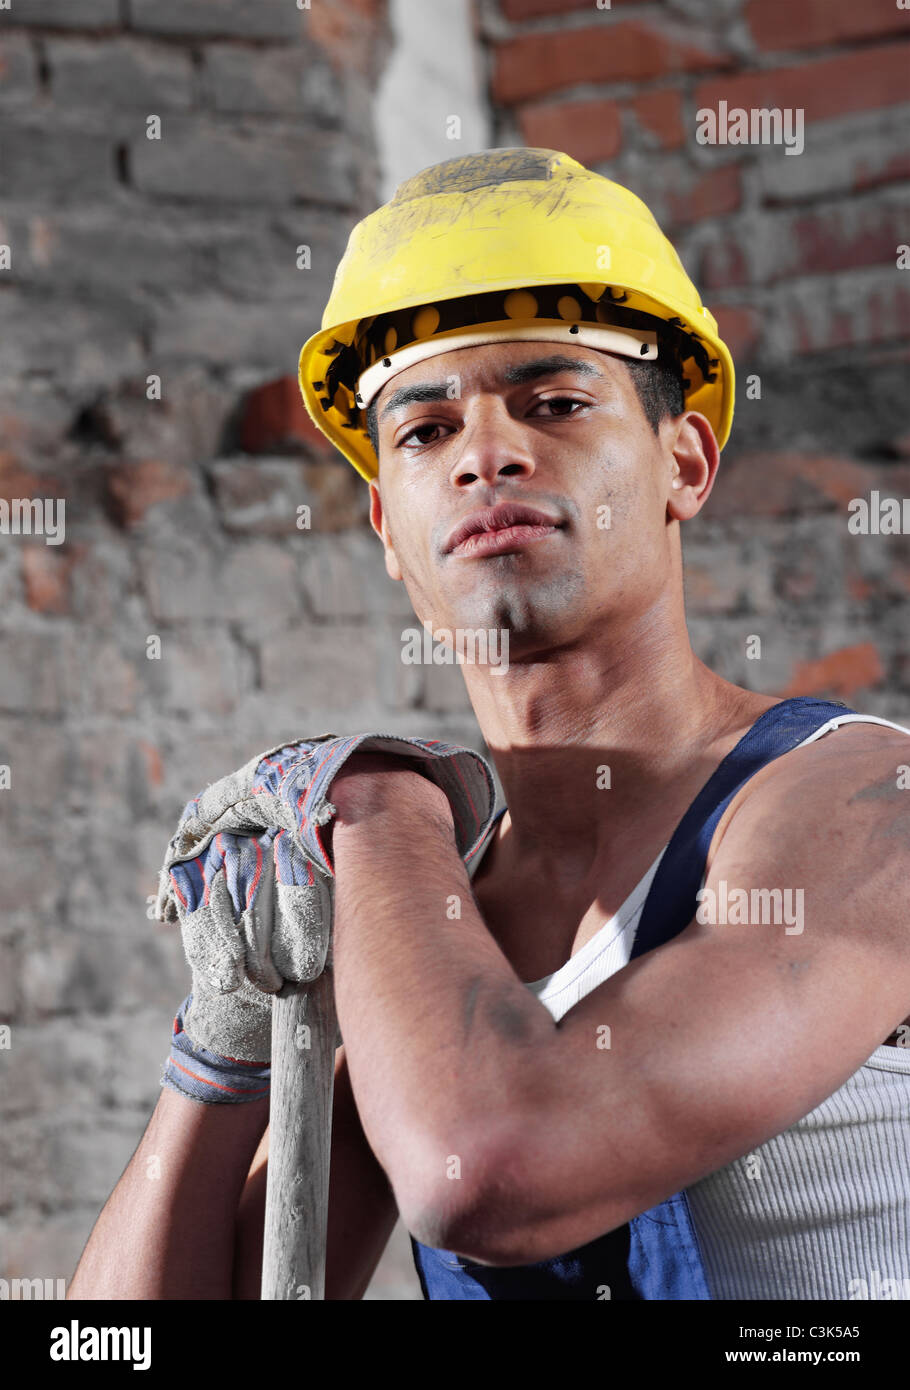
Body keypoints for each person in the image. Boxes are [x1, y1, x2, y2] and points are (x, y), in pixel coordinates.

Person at [70, 148, 910, 1301]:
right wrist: (221, 1042)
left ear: (685, 459)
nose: (485, 454)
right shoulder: (430, 929)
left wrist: (371, 802)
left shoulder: (852, 811)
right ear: (384, 522)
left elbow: (497, 1170)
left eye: (554, 403)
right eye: (422, 432)